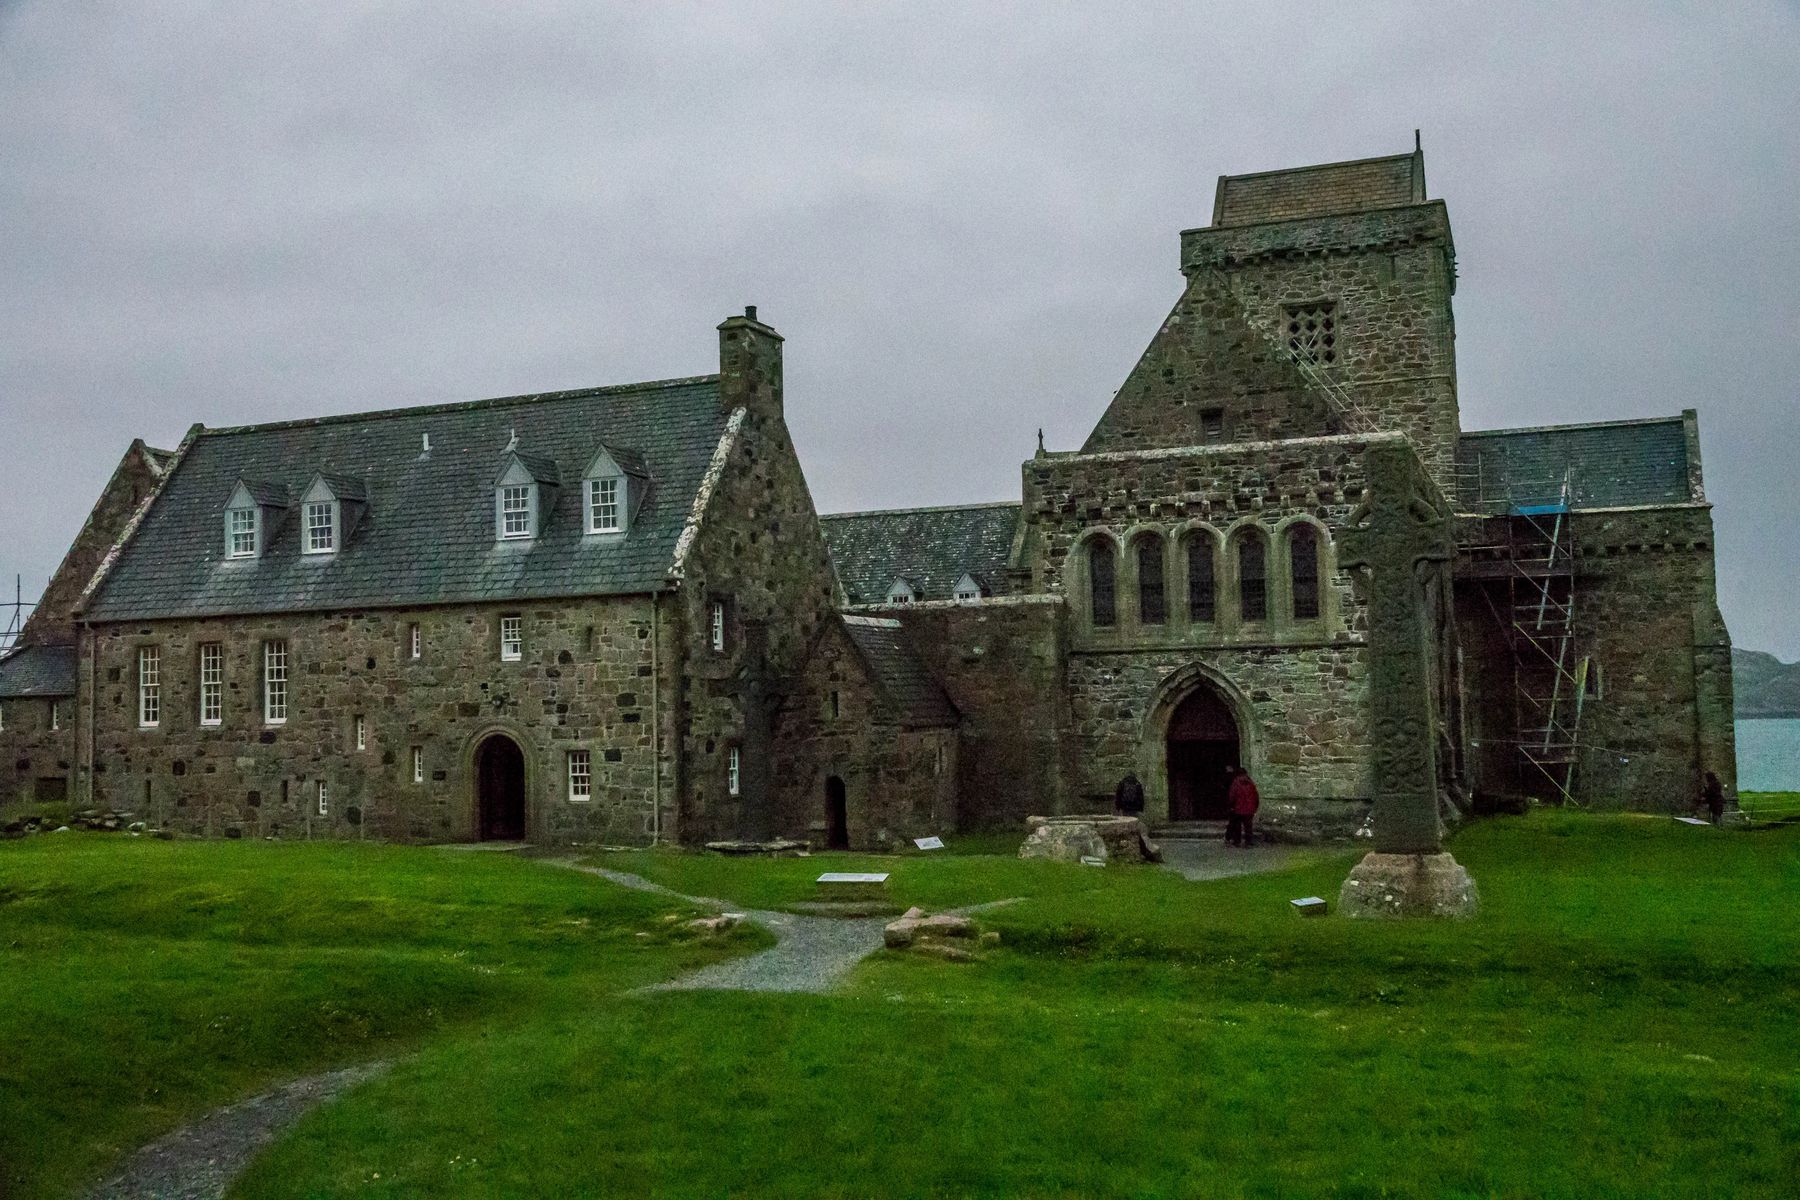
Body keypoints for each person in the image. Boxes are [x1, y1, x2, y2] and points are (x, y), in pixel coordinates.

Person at [1226, 766, 1260, 848]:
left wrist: (1231, 805)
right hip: (1249, 809)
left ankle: (1237, 841)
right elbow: (1256, 796)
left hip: (1238, 808)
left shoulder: (1236, 783)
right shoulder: (1251, 783)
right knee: (1248, 826)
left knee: (1237, 826)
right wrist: (1255, 807)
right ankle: (1248, 842)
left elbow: (1232, 796)